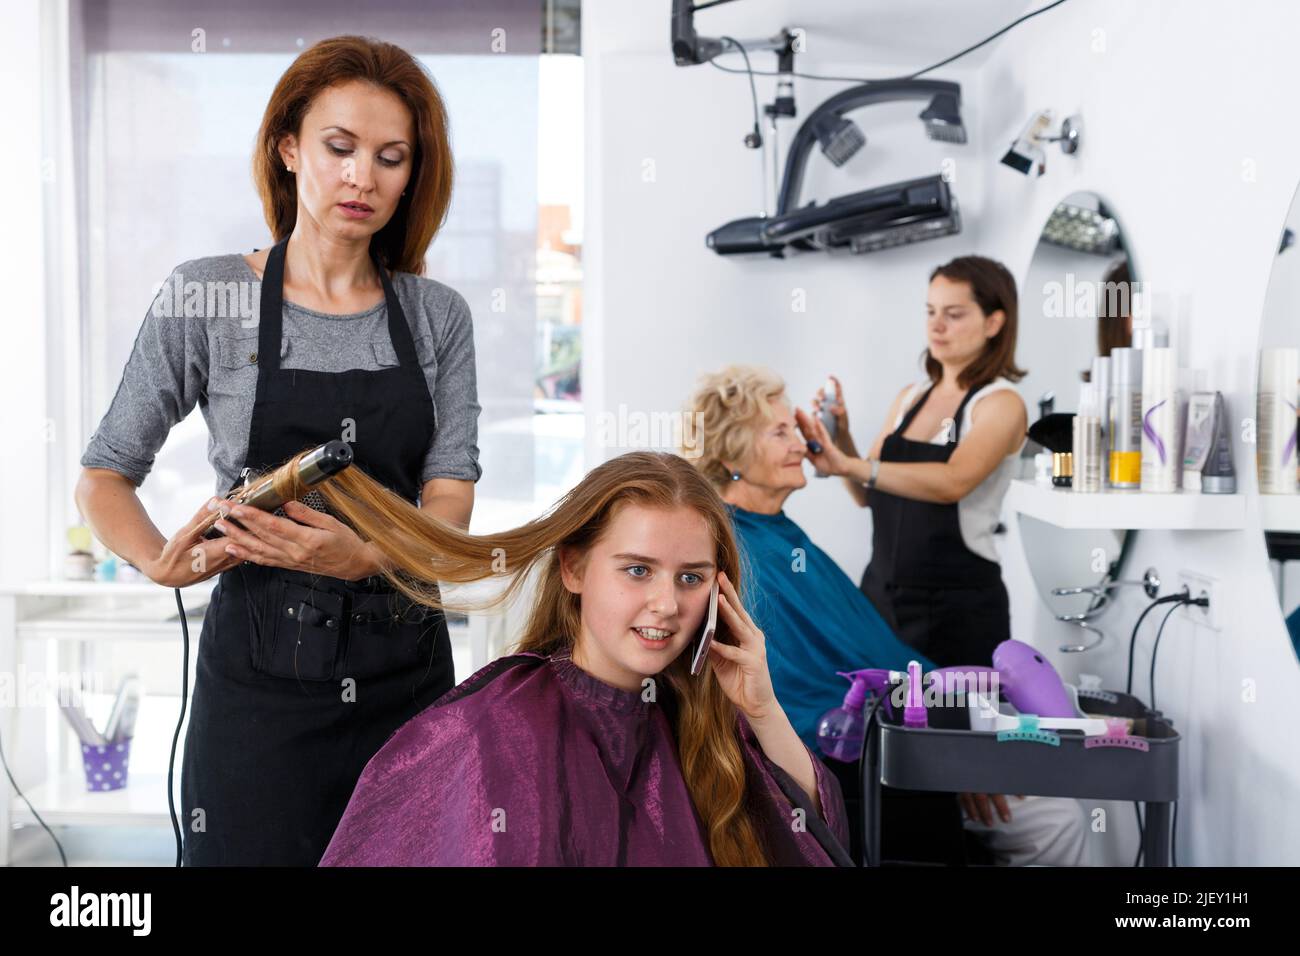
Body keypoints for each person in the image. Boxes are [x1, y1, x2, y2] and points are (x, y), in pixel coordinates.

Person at [73, 36, 481, 865]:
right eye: (340, 148)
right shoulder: (209, 296)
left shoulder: (437, 315)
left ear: (412, 174)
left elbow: (450, 495)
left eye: (390, 157)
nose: (362, 177)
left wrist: (367, 555)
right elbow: (104, 475)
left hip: (407, 674)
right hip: (257, 689)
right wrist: (159, 561)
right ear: (289, 148)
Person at [315, 451, 852, 866]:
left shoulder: (702, 718)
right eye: (637, 570)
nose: (666, 605)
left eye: (690, 578)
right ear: (573, 569)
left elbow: (808, 839)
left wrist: (763, 711)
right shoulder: (492, 729)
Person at [685, 364, 1089, 866]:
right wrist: (945, 755)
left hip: (913, 726)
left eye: (795, 427)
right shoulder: (743, 551)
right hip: (868, 755)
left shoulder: (776, 532)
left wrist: (954, 740)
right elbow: (803, 697)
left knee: (1052, 807)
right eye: (780, 431)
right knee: (1059, 820)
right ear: (729, 455)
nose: (799, 443)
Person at [803, 255, 1029, 668]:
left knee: (949, 730)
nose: (936, 326)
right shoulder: (910, 396)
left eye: (954, 314)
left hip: (959, 613)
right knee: (878, 727)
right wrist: (841, 438)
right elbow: (866, 494)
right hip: (881, 603)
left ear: (994, 323)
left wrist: (851, 464)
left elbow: (952, 482)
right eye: (931, 312)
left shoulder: (1000, 404)